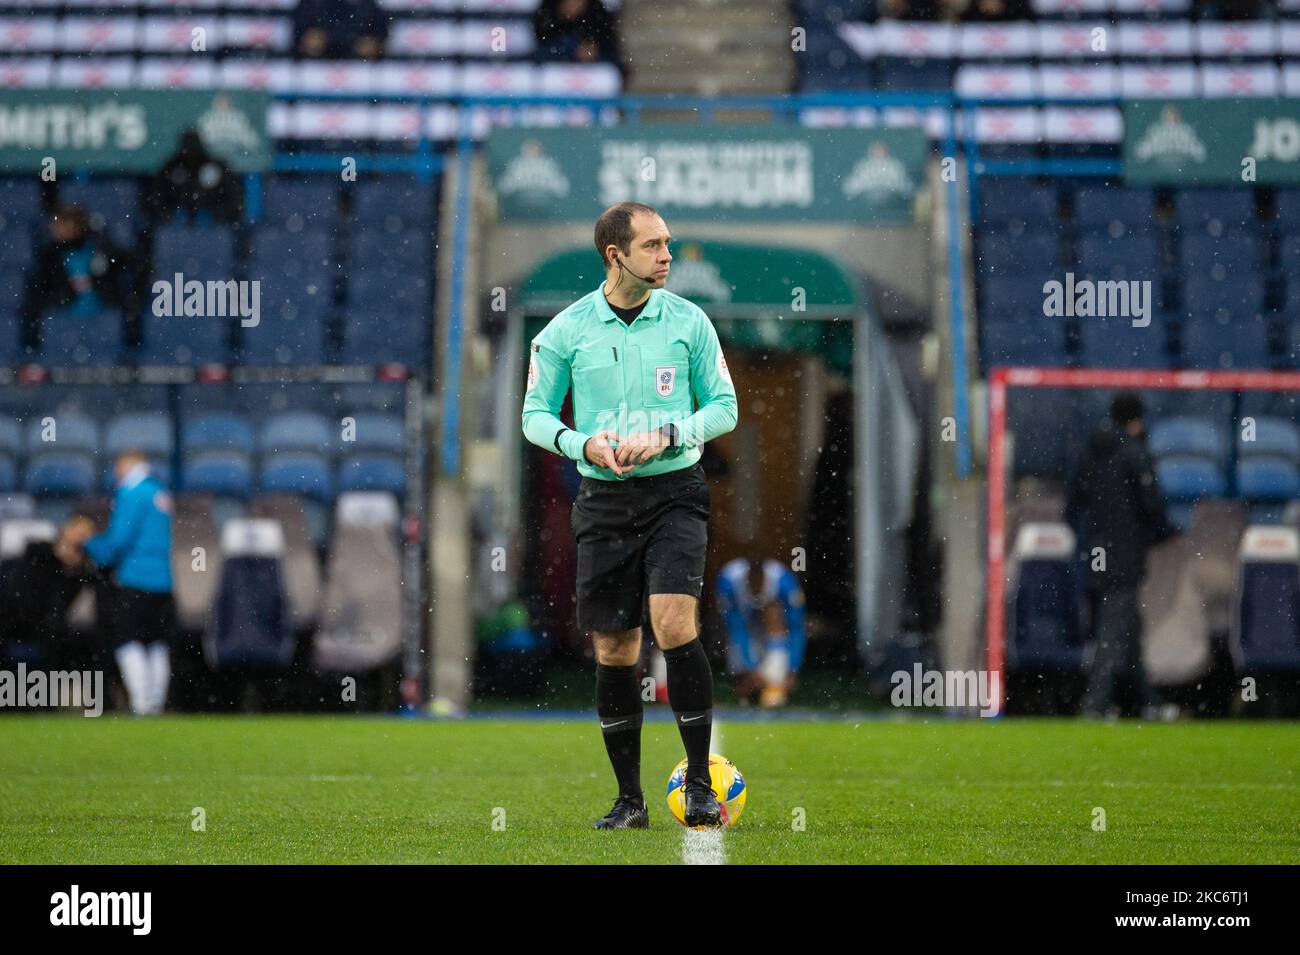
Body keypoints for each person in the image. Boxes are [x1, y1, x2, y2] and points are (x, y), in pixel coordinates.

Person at [521, 201, 738, 829]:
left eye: (668, 243)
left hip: (676, 491)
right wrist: (579, 443)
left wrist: (673, 433)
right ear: (615, 256)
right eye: (654, 246)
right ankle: (630, 801)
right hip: (604, 500)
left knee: (672, 624)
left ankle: (700, 785)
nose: (668, 255)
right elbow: (534, 415)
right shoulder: (563, 331)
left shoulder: (690, 322)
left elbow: (724, 407)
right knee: (616, 647)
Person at [1068, 393, 1174, 719]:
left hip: (1096, 550)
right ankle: (1096, 704)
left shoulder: (1090, 452)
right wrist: (1162, 533)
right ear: (1136, 419)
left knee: (1127, 628)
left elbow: (1073, 502)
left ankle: (1149, 703)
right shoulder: (1134, 453)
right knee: (1113, 630)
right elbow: (1152, 505)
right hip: (1125, 553)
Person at [84, 451, 175, 716]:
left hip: (136, 579)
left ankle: (141, 702)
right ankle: (157, 701)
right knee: (157, 642)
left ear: (125, 467)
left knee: (127, 639)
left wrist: (90, 544)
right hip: (164, 581)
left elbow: (119, 541)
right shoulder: (160, 492)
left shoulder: (131, 493)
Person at [20, 204, 136, 349]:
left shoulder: (99, 245)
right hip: (63, 317)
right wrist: (67, 290)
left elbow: (123, 264)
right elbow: (43, 291)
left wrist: (96, 280)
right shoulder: (50, 255)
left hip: (101, 308)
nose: (54, 229)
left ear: (74, 225)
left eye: (60, 224)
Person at [1, 516, 99, 671]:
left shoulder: (84, 568)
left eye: (85, 534)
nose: (80, 538)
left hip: (50, 622)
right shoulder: (43, 552)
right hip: (20, 611)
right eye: (78, 532)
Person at [717, 555, 806, 709]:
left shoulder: (785, 583)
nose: (756, 588)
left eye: (759, 583)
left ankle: (773, 679)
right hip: (745, 627)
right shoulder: (728, 582)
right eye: (752, 583)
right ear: (746, 578)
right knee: (744, 686)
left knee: (773, 613)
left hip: (774, 633)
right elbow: (736, 628)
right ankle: (748, 688)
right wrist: (751, 668)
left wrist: (792, 668)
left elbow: (796, 627)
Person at [142, 128, 244, 228]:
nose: (191, 153)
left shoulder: (214, 167)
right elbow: (156, 194)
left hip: (211, 218)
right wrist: (167, 212)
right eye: (188, 148)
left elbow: (234, 194)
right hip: (178, 218)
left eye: (193, 148)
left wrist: (219, 213)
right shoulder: (171, 167)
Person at [533, 0, 622, 66]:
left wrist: (593, 46)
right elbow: (541, 33)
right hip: (557, 54)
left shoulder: (596, 6)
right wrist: (562, 17)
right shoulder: (550, 4)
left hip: (590, 60)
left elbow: (607, 36)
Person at [293, 0, 389, 60]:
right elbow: (299, 33)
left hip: (359, 68)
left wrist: (373, 44)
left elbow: (379, 36)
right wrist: (307, 39)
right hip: (314, 67)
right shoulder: (312, 3)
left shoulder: (367, 5)